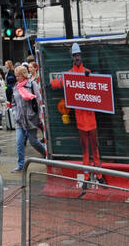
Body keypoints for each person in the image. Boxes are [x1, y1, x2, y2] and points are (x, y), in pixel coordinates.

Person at [50, 41, 103, 194]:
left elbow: (98, 85)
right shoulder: (70, 74)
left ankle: (99, 175)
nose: (77, 57)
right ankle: (86, 176)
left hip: (91, 118)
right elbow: (59, 81)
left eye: (78, 55)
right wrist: (50, 84)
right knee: (85, 149)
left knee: (95, 148)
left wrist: (89, 77)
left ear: (81, 56)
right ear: (72, 57)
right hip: (80, 119)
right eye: (75, 55)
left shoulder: (87, 71)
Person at [11, 64, 45, 170]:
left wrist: (39, 116)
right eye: (16, 76)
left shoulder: (32, 84)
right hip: (19, 119)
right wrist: (15, 113)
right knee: (19, 141)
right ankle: (21, 164)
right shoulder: (16, 87)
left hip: (31, 118)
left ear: (24, 75)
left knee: (33, 141)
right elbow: (13, 103)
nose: (17, 78)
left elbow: (39, 101)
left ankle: (46, 153)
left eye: (18, 76)